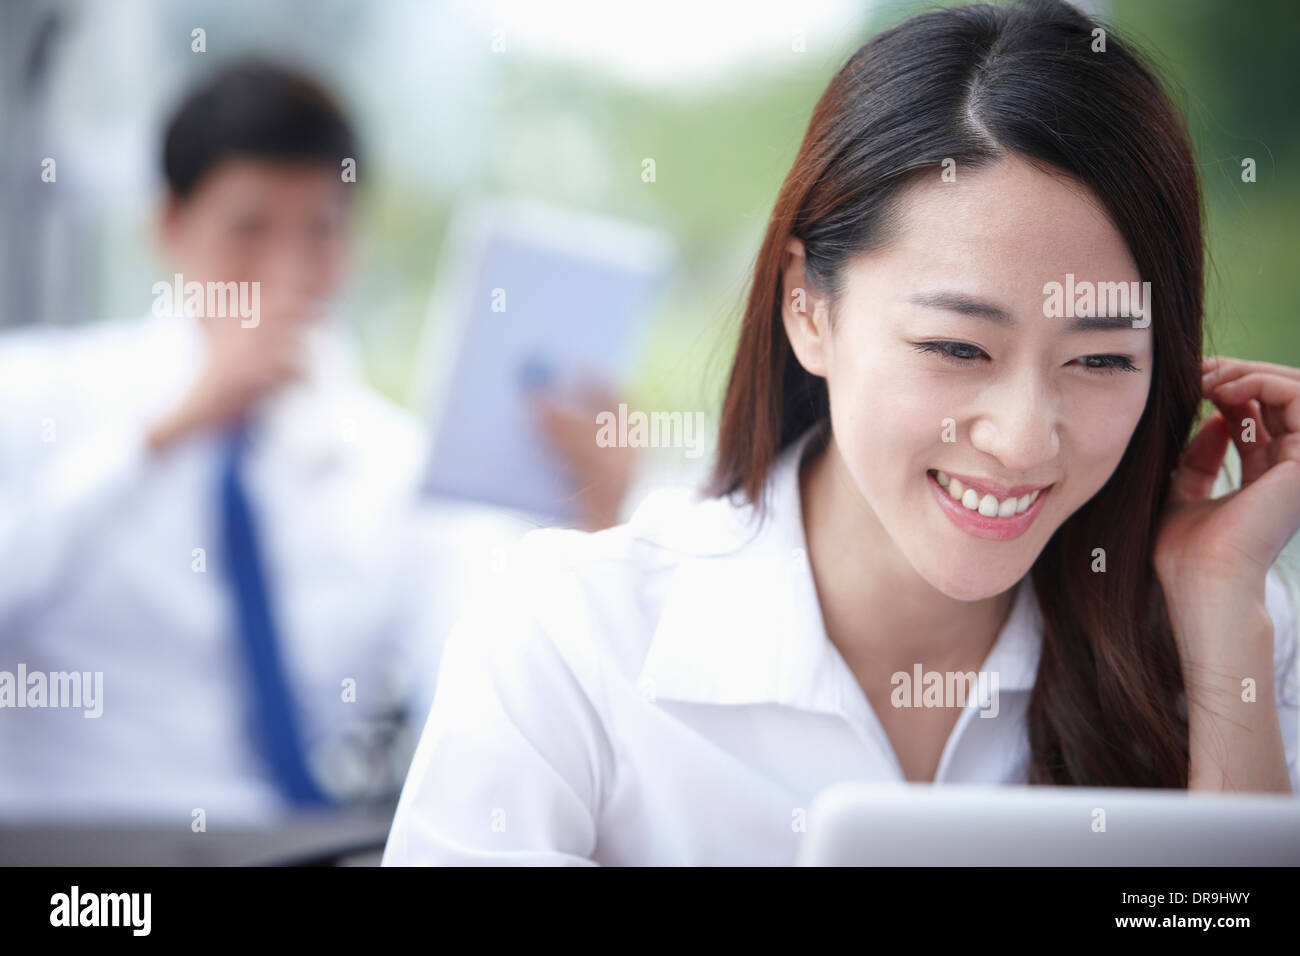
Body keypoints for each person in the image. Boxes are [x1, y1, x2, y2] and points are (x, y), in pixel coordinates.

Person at [382, 0, 1300, 866]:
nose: (1023, 440)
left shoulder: (1223, 631)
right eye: (956, 346)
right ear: (806, 308)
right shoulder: (569, 635)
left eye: (1100, 361)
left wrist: (1222, 611)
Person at [0, 59, 632, 825]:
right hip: (62, 847)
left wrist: (596, 522)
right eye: (249, 228)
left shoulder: (387, 460)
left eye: (322, 231)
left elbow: (473, 673)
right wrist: (162, 436)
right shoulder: (36, 395)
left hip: (285, 845)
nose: (289, 271)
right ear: (167, 226)